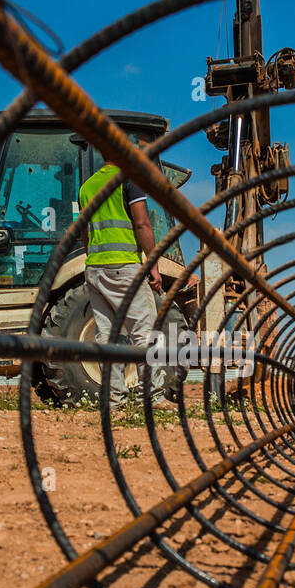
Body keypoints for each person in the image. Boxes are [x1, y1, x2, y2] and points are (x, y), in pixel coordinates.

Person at [79, 158, 164, 409]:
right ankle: (151, 397)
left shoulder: (87, 187)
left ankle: (114, 400)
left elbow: (84, 231)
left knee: (107, 336)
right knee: (144, 333)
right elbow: (142, 223)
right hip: (124, 266)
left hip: (95, 268)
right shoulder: (129, 180)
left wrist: (93, 259)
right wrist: (154, 264)